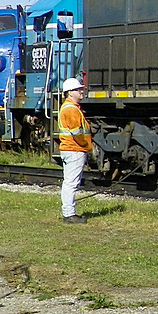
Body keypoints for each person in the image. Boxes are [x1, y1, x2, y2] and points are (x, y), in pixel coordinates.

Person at [57, 77, 92, 224]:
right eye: (79, 90)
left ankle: (69, 213)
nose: (82, 91)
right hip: (74, 149)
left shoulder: (70, 107)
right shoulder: (71, 109)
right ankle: (69, 215)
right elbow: (77, 133)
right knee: (71, 183)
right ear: (70, 93)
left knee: (70, 182)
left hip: (72, 149)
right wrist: (86, 145)